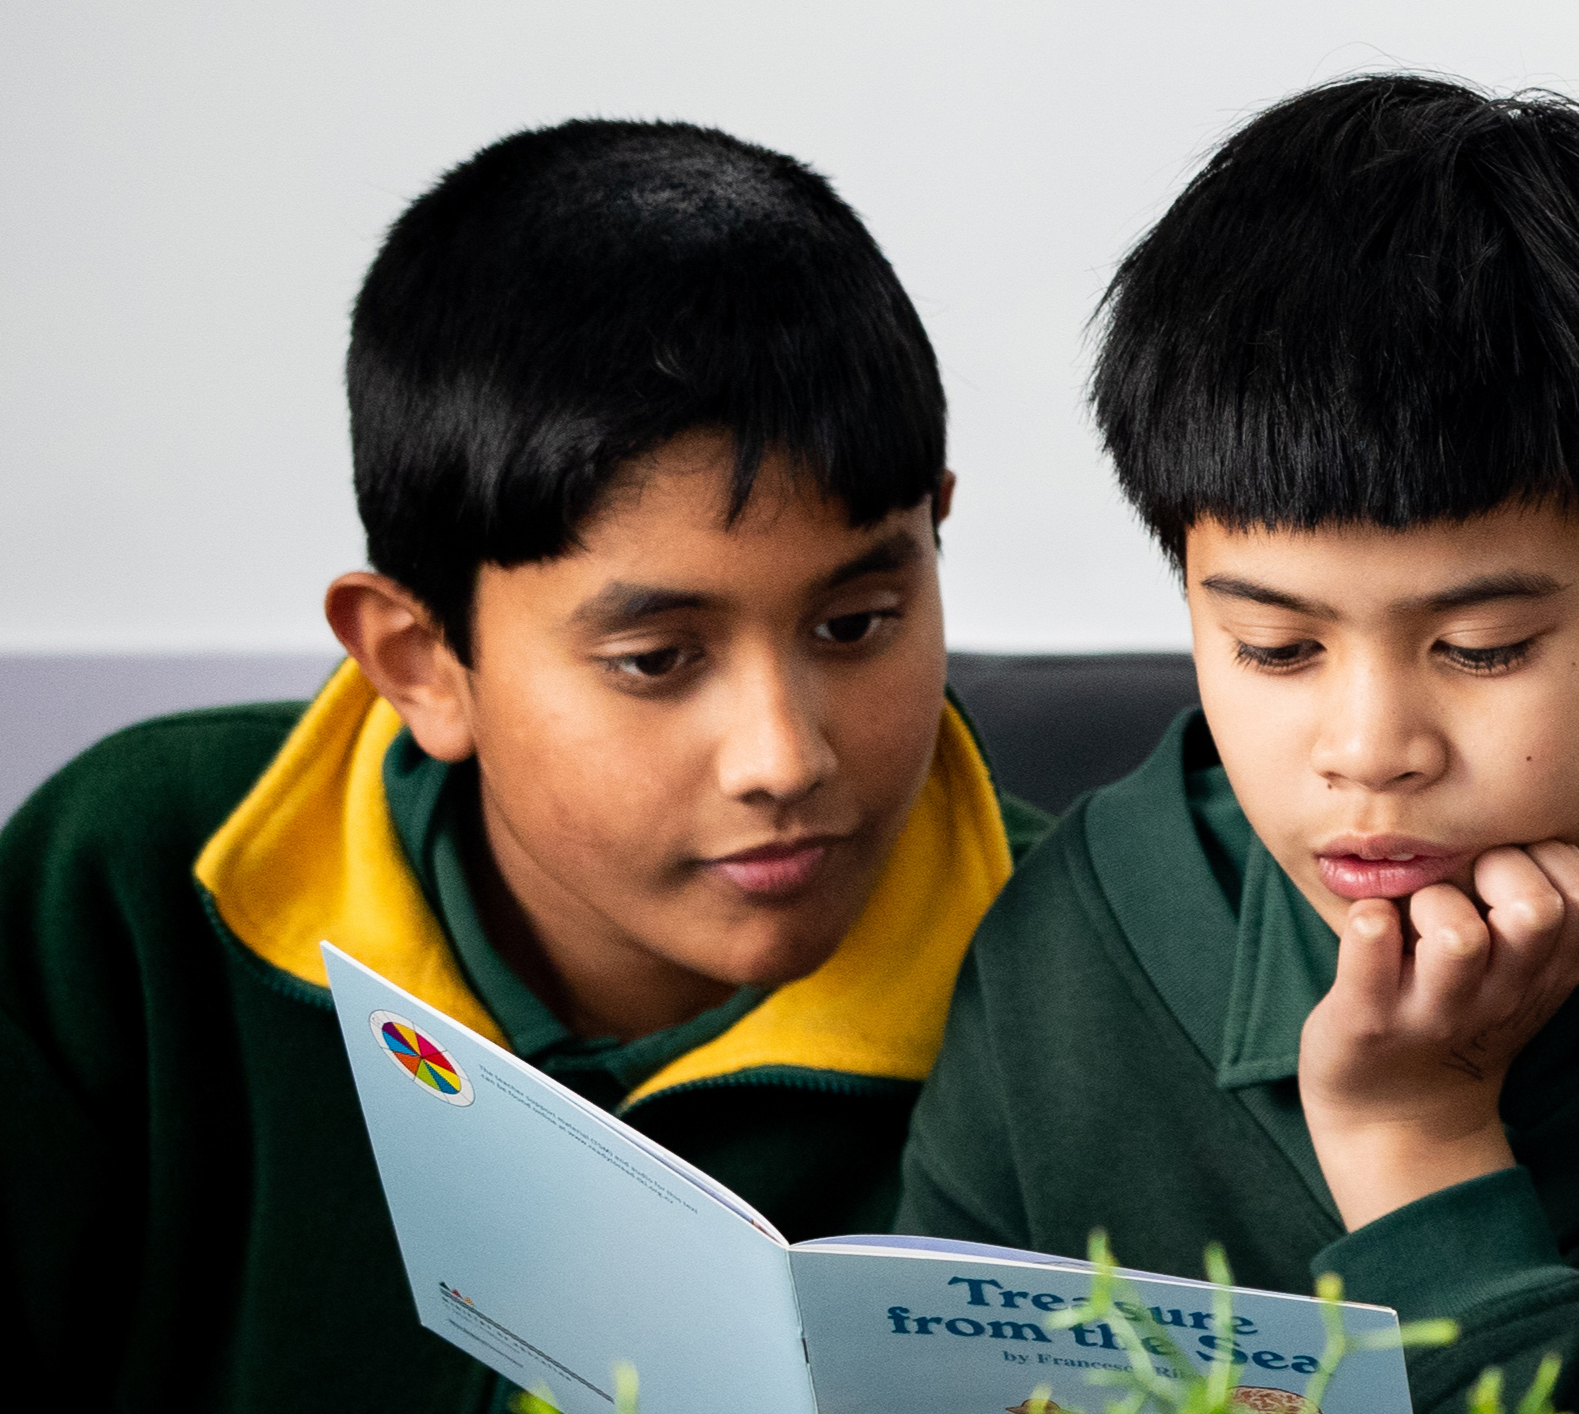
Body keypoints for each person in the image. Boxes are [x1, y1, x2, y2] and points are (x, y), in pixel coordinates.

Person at [896, 75, 1579, 1412]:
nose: (1367, 748)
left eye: (1483, 647)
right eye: (1277, 649)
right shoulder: (1083, 942)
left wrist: (1418, 1148)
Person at [0, 119, 1048, 1412]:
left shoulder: (1096, 983)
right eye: (658, 659)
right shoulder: (128, 890)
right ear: (422, 662)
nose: (785, 756)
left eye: (855, 626)